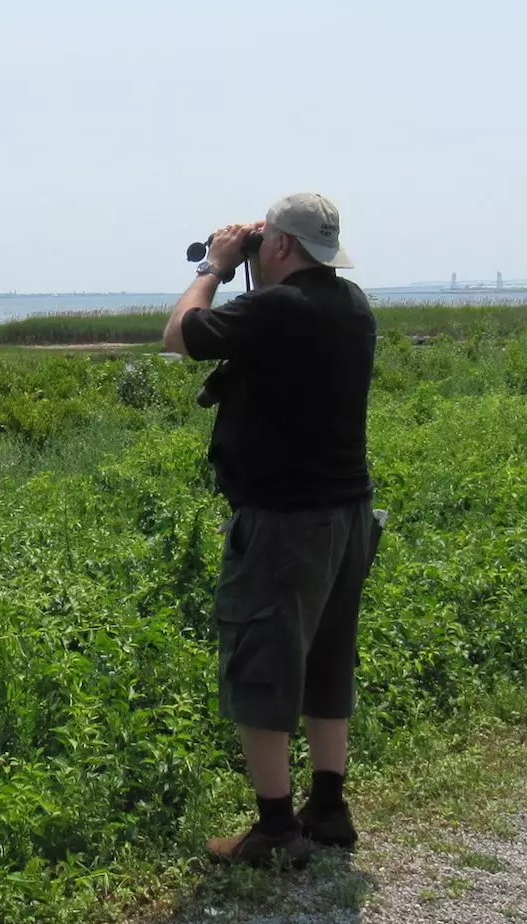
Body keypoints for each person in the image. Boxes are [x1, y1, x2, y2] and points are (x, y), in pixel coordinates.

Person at [161, 191, 379, 867]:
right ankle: (330, 809)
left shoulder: (278, 308)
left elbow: (179, 336)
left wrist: (218, 267)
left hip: (285, 525)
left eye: (265, 244)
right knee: (326, 659)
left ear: (280, 246)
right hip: (347, 517)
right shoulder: (352, 305)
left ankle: (276, 830)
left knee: (262, 668)